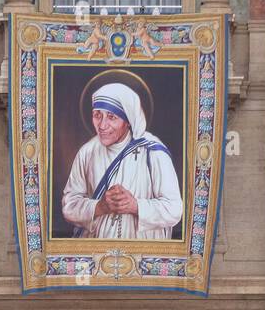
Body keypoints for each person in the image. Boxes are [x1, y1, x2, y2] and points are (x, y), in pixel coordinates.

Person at [61, 81, 183, 240]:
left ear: (128, 120)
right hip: (96, 251)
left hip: (144, 252)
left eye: (111, 117)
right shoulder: (87, 152)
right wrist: (99, 207)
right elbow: (69, 206)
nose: (102, 125)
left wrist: (135, 206)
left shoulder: (153, 152)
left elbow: (174, 209)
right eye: (97, 115)